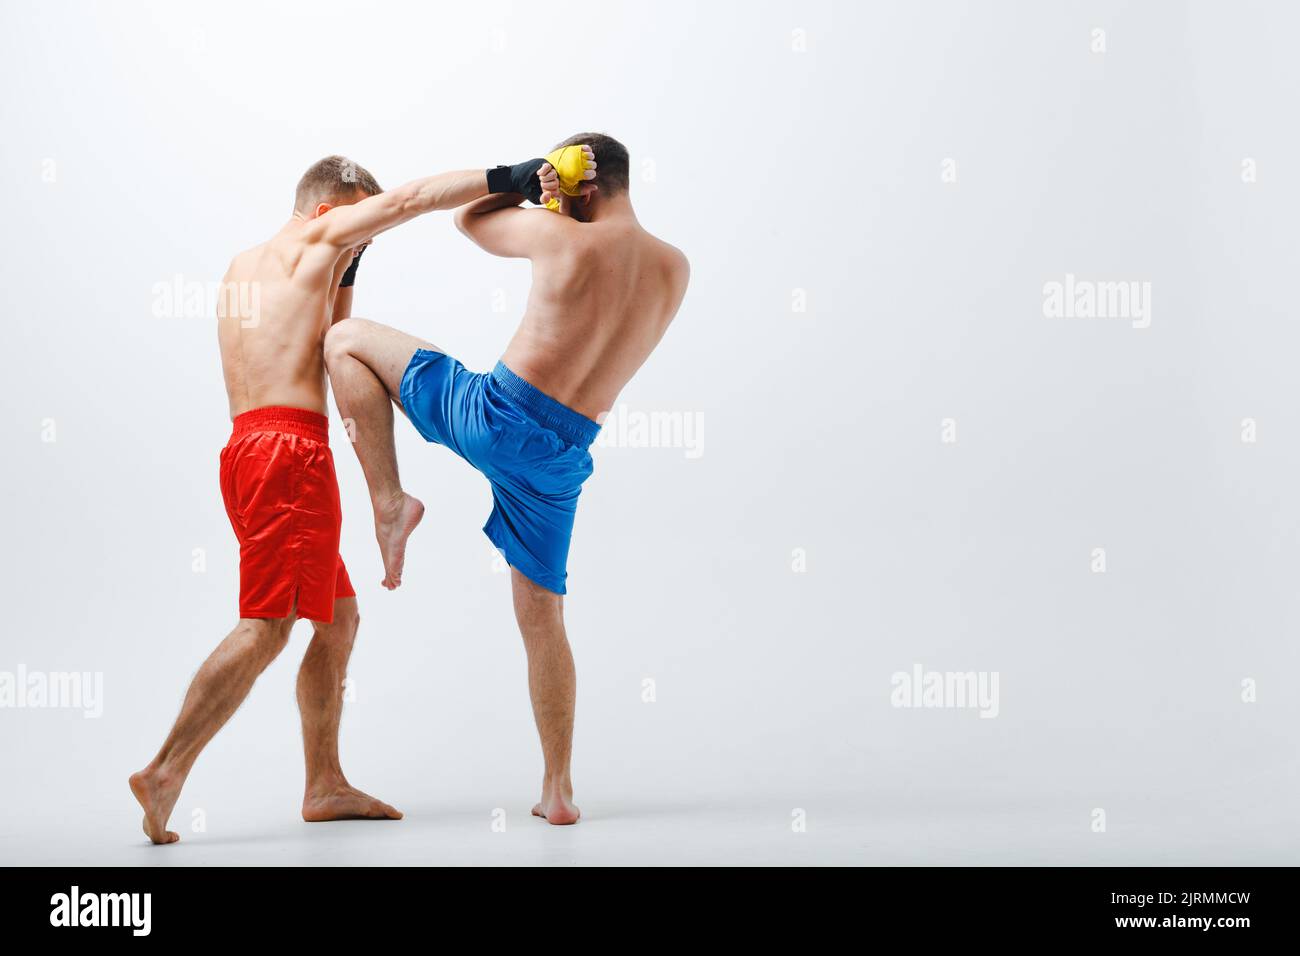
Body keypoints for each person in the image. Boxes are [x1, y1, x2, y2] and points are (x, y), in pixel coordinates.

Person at [130, 152, 547, 843]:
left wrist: (350, 265)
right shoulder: (319, 236)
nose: (358, 239)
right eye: (355, 226)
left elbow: (326, 344)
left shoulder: (245, 265)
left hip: (247, 450)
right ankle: (166, 770)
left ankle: (323, 783)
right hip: (291, 456)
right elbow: (413, 197)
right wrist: (511, 176)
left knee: (339, 617)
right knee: (267, 625)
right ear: (329, 211)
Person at [324, 134, 690, 824]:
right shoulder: (676, 268)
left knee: (343, 341)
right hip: (562, 459)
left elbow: (467, 219)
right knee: (543, 617)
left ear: (580, 183)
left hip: (498, 416)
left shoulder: (561, 239)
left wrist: (527, 186)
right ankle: (557, 790)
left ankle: (389, 502)